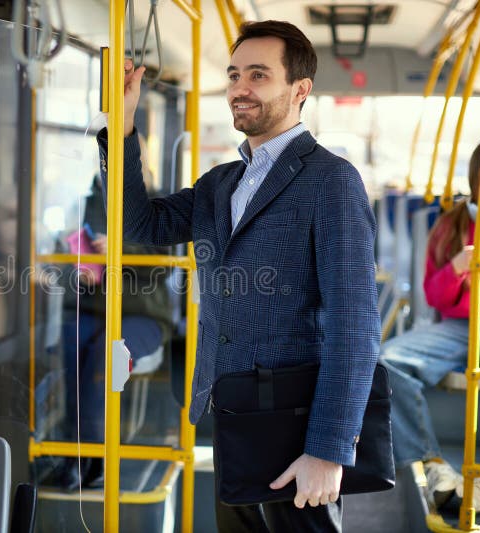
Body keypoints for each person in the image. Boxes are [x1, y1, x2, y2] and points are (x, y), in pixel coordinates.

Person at [98, 20, 380, 532]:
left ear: (300, 90)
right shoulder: (221, 182)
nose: (239, 89)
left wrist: (329, 450)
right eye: (233, 76)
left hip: (296, 419)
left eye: (257, 75)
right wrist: (122, 129)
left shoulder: (332, 182)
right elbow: (138, 224)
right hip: (232, 409)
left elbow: (355, 328)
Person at [379, 137, 480, 514]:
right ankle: (433, 464)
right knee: (385, 362)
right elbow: (433, 295)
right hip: (462, 326)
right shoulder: (452, 224)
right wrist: (456, 268)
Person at [58, 169, 173, 491]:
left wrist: (119, 249)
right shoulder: (89, 203)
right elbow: (72, 250)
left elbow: (163, 265)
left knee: (106, 356)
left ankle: (97, 455)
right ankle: (75, 452)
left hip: (144, 314)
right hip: (97, 305)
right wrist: (81, 268)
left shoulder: (159, 204)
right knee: (71, 342)